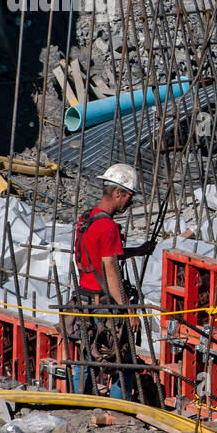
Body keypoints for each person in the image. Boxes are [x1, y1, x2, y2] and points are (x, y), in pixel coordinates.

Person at [69, 164, 156, 398]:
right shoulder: (108, 226)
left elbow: (101, 254)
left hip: (84, 298)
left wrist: (135, 251)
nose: (129, 203)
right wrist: (128, 310)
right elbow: (110, 269)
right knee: (122, 361)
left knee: (87, 356)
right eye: (129, 196)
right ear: (118, 193)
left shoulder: (87, 219)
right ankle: (119, 412)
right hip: (104, 303)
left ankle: (80, 404)